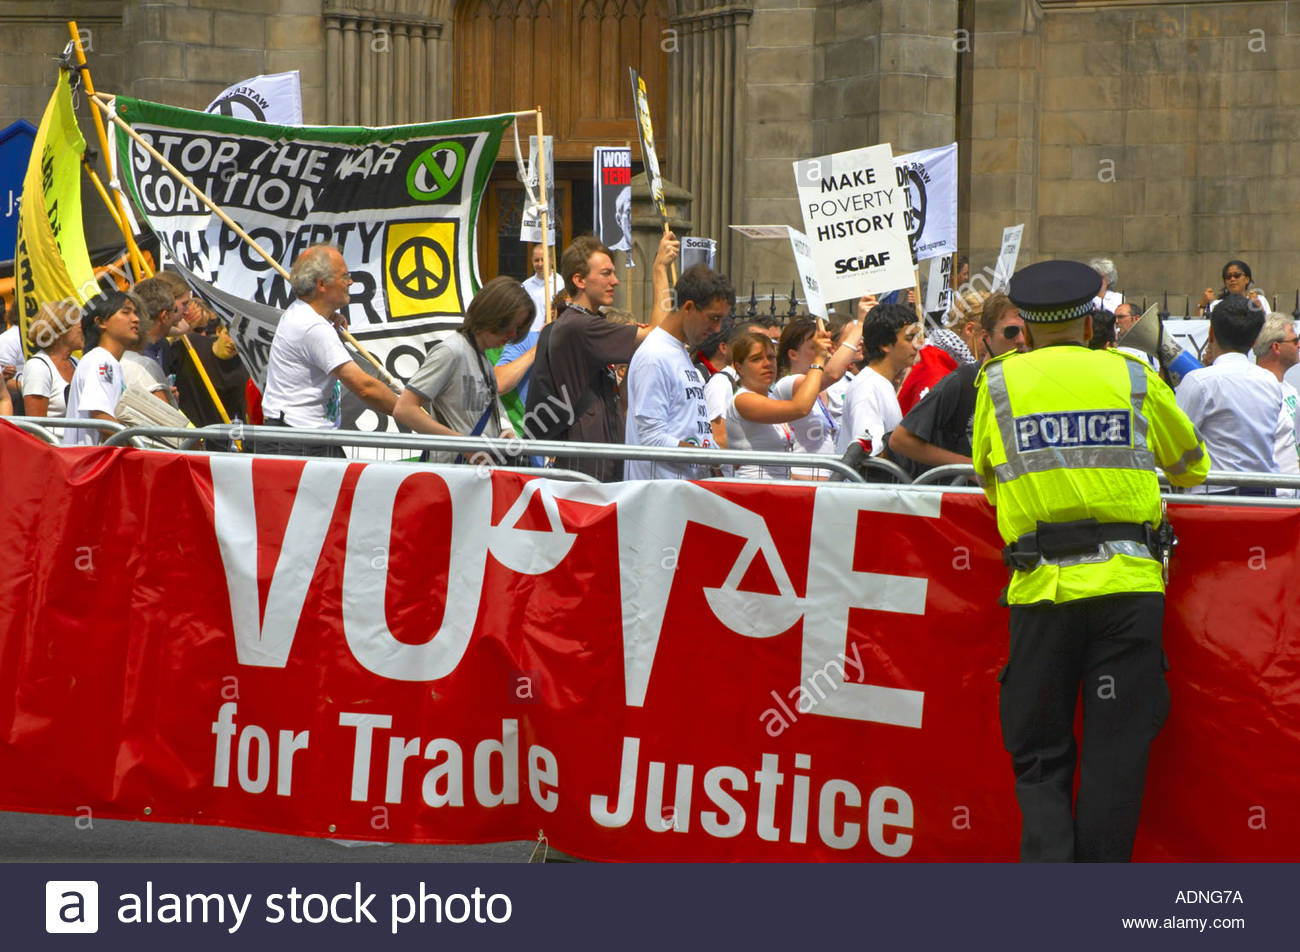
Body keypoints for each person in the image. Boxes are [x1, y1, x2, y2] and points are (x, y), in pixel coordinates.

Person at [971, 259, 1209, 863]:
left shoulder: (997, 383)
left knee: (1041, 753)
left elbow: (989, 481)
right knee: (1117, 755)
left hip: (1041, 592)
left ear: (1023, 325)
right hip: (1128, 592)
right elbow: (1191, 465)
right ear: (1087, 320)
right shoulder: (1131, 377)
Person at [527, 231, 677, 481]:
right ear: (580, 280)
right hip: (588, 462)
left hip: (595, 454)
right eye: (606, 273)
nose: (616, 281)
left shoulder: (581, 322)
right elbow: (658, 338)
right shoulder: (580, 326)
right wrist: (660, 269)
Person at [259, 244, 397, 457]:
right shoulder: (312, 326)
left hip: (307, 439)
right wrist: (406, 410)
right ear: (322, 284)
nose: (350, 282)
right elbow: (365, 387)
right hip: (298, 443)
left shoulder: (306, 317)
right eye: (344, 276)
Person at [393, 276, 533, 464]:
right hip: (451, 477)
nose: (513, 335)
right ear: (494, 315)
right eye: (510, 326)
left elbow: (481, 413)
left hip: (470, 477)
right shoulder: (452, 351)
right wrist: (463, 444)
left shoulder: (483, 360)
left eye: (518, 328)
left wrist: (504, 433)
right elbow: (404, 409)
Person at [889, 291, 1028, 476]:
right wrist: (972, 468)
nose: (1021, 340)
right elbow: (901, 440)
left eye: (1027, 332)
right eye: (1011, 332)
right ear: (986, 337)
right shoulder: (961, 380)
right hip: (963, 498)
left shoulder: (1031, 381)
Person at [624, 264, 734, 479]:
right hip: (658, 496)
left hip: (681, 494)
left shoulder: (678, 352)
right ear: (688, 307)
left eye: (722, 320)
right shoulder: (655, 356)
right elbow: (652, 438)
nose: (718, 329)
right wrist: (705, 457)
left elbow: (690, 425)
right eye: (713, 318)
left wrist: (719, 457)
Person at [1175, 293, 1285, 495]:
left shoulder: (1200, 381)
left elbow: (1176, 442)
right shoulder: (1270, 381)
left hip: (1216, 496)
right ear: (1254, 341)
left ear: (1211, 333)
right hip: (1264, 494)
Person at [724, 327, 831, 479]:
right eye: (756, 359)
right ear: (739, 367)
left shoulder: (772, 396)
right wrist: (818, 360)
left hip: (776, 489)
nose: (767, 363)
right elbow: (800, 408)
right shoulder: (743, 399)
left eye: (771, 357)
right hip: (751, 492)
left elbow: (832, 375)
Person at [771, 315, 863, 478]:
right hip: (802, 483)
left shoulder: (822, 390)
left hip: (825, 483)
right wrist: (860, 323)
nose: (823, 350)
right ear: (793, 354)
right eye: (815, 346)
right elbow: (833, 373)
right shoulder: (788, 383)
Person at [835, 303, 921, 457]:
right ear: (885, 344)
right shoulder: (867, 388)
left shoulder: (880, 383)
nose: (917, 345)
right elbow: (869, 454)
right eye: (909, 338)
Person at [64, 292, 139, 445]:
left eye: (135, 313)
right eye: (125, 312)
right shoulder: (100, 360)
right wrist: (140, 445)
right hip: (92, 464)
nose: (136, 319)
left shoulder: (107, 360)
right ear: (101, 322)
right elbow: (102, 419)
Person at [1254, 314, 1300, 489]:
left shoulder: (1291, 391)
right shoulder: (1254, 390)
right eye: (1295, 340)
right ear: (1276, 347)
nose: (1299, 345)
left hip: (1292, 497)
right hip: (1269, 499)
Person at [20, 300, 82, 421]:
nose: (85, 332)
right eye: (80, 327)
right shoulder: (38, 367)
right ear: (61, 330)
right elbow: (36, 428)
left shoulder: (76, 363)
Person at [1198, 259, 1266, 317]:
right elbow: (1197, 326)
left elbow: (1268, 325)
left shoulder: (1259, 300)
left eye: (1237, 275)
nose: (1232, 279)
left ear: (1247, 279)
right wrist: (1202, 304)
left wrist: (1257, 307)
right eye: (1228, 276)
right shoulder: (1217, 305)